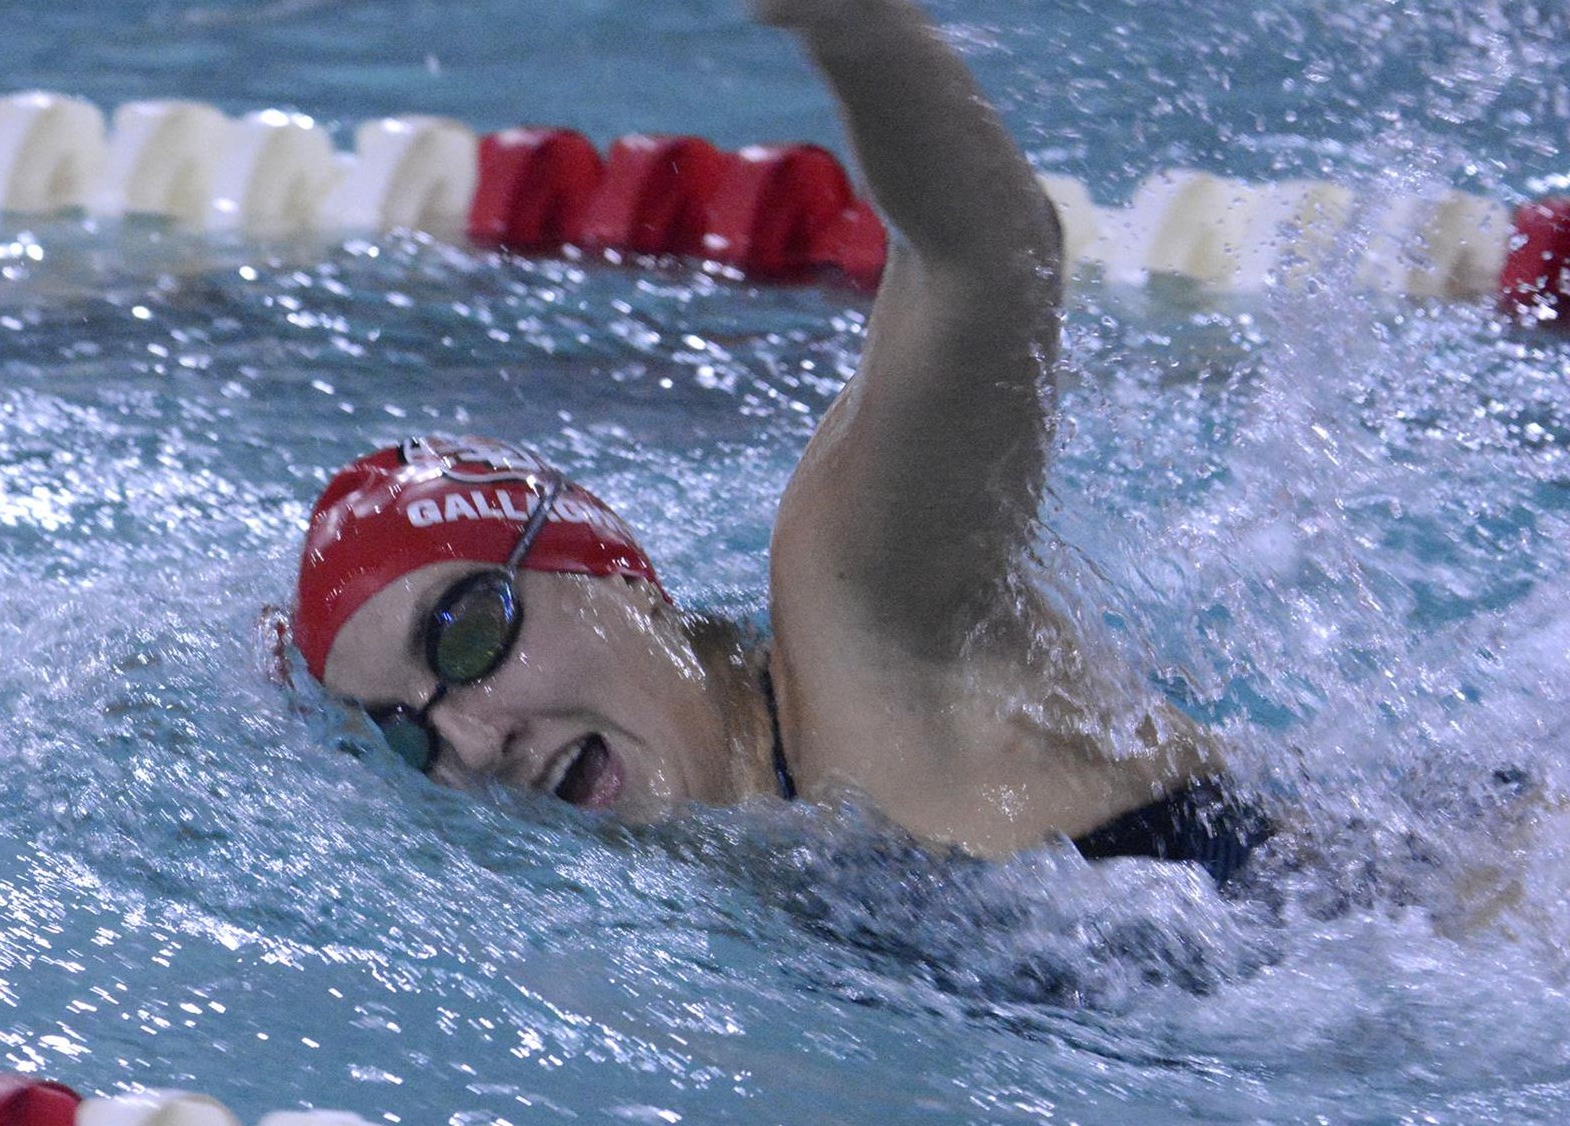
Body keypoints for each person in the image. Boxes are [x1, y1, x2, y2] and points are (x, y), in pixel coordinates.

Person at [290, 0, 1269, 881]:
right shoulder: (737, 838)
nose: (473, 737)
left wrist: (845, 24)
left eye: (467, 635)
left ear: (618, 573)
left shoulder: (857, 616)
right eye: (410, 736)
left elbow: (989, 258)